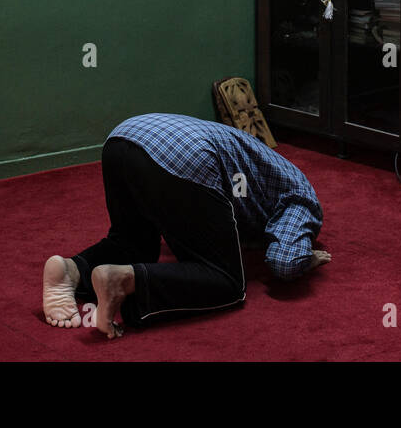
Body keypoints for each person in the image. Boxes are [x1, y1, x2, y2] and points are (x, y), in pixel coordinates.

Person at [42, 113, 329, 338]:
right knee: (227, 282)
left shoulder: (267, 174)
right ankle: (125, 280)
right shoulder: (303, 198)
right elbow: (284, 262)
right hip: (184, 154)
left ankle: (73, 270)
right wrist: (304, 257)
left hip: (123, 139)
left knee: (132, 244)